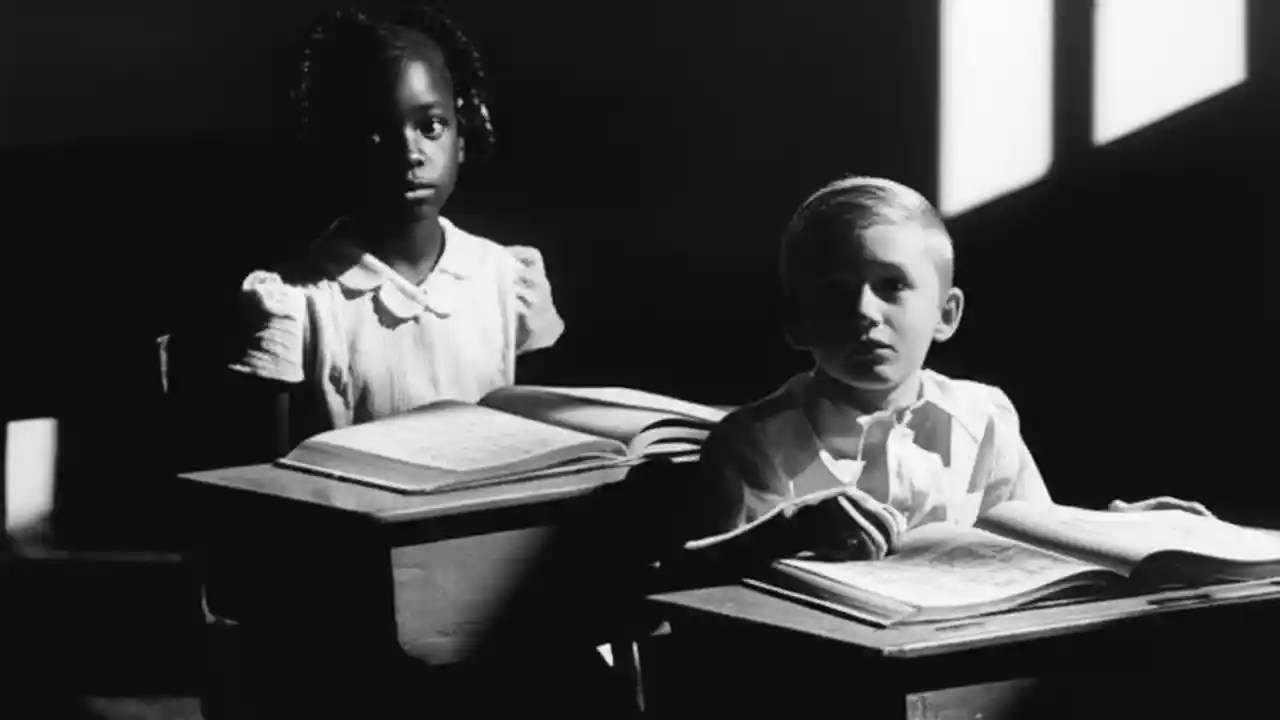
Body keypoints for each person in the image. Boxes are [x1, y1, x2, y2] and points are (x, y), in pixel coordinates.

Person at [687, 176, 1211, 564]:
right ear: (796, 323)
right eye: (834, 293)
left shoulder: (983, 416)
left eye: (892, 285)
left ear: (946, 314)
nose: (865, 312)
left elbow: (1034, 535)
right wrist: (785, 532)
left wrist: (1119, 532)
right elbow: (698, 583)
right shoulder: (756, 442)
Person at [192, 2, 563, 468]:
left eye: (431, 126)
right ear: (337, 143)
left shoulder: (509, 282)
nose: (411, 152)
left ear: (461, 136)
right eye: (377, 132)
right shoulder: (297, 304)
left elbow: (548, 448)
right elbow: (269, 486)